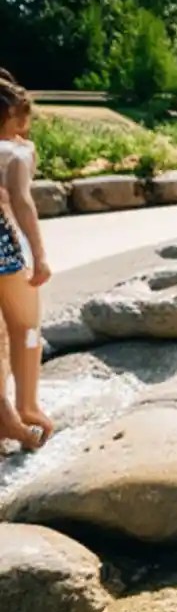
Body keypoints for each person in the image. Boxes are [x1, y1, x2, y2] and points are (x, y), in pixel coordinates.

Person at [0, 78, 53, 449]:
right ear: (14, 117)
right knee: (27, 329)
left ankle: (6, 414)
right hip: (5, 254)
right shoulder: (15, 155)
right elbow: (22, 202)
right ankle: (28, 406)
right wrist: (40, 255)